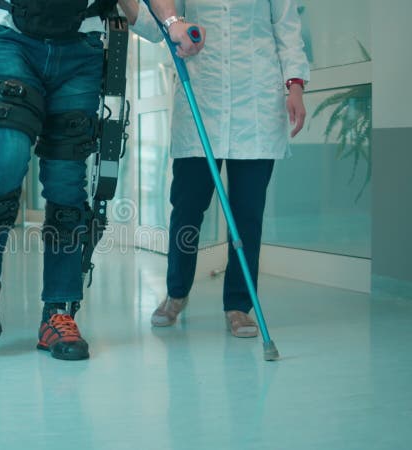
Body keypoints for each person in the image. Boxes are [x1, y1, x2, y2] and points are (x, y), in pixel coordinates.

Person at [0, 0, 203, 360]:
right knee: (9, 154)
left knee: (66, 181)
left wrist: (171, 20)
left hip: (81, 40)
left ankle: (58, 312)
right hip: (6, 31)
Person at [117, 0, 309, 335]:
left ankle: (238, 305)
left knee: (247, 213)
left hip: (256, 103)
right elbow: (157, 23)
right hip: (201, 101)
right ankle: (177, 292)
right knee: (187, 207)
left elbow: (287, 29)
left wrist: (295, 86)